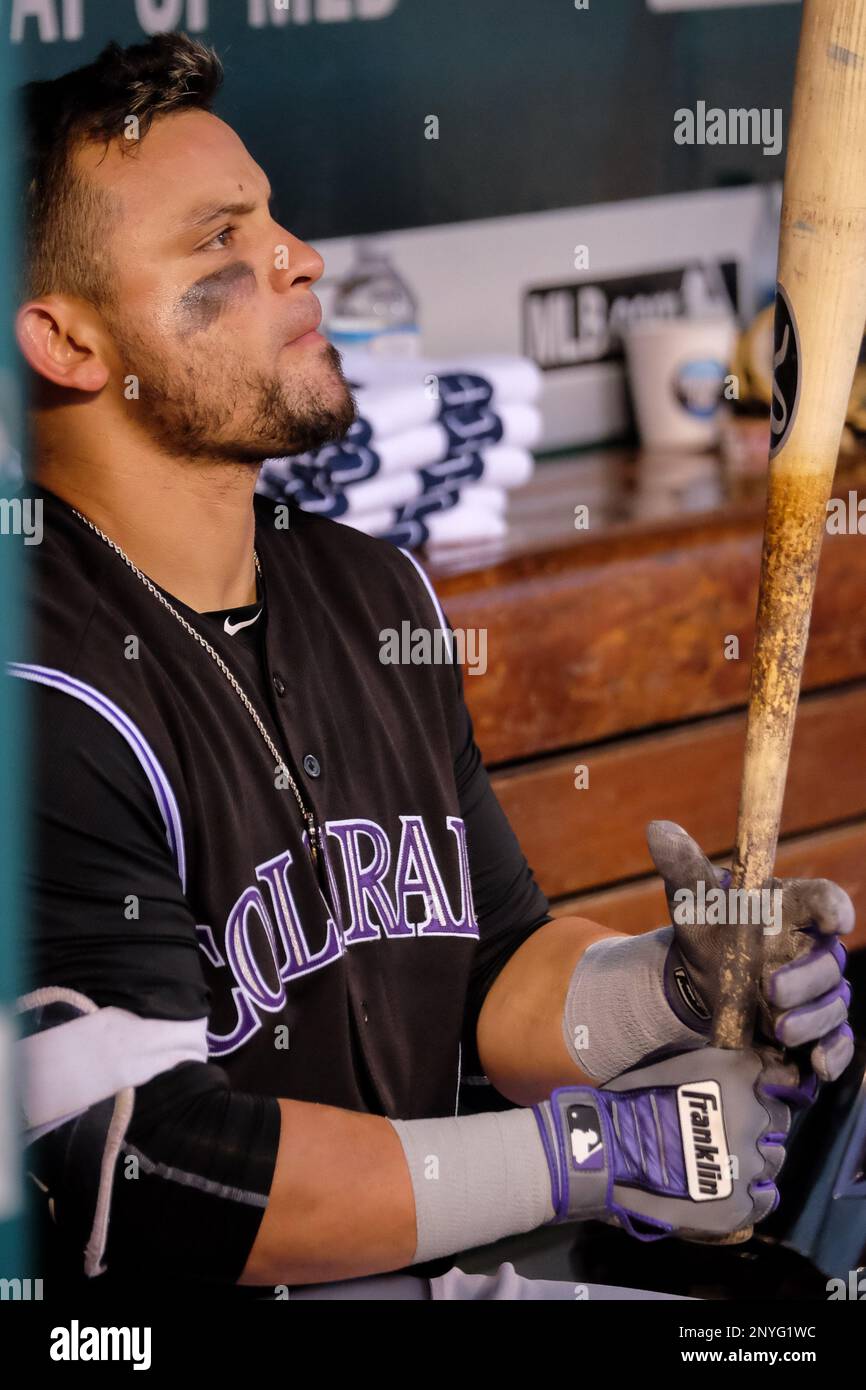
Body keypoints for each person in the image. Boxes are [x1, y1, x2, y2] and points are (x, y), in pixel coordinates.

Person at [12, 34, 854, 1302]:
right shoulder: (42, 697)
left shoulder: (367, 590)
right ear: (68, 342)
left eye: (276, 219)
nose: (297, 257)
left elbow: (492, 970)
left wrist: (669, 988)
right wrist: (592, 1149)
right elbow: (147, 1172)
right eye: (218, 242)